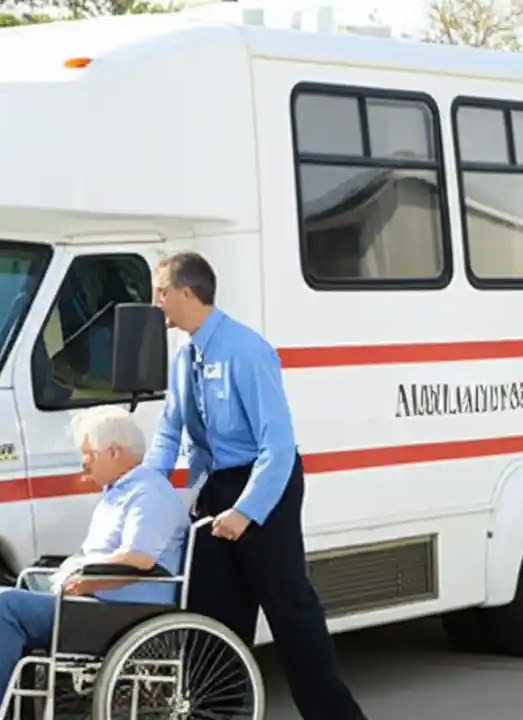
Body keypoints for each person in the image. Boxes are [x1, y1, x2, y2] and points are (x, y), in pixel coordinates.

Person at [142, 251, 366, 720]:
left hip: (267, 487)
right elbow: (170, 432)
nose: (155, 301)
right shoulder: (185, 357)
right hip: (217, 487)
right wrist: (146, 486)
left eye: (161, 291)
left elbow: (278, 446)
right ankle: (216, 713)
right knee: (210, 614)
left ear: (186, 292)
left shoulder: (246, 350)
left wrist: (247, 512)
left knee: (290, 610)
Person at [0, 405, 190, 720]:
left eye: (89, 452)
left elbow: (139, 559)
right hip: (95, 600)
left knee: (5, 605)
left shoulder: (148, 494)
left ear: (114, 452)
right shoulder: (119, 493)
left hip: (122, 613)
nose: (83, 462)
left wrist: (87, 578)